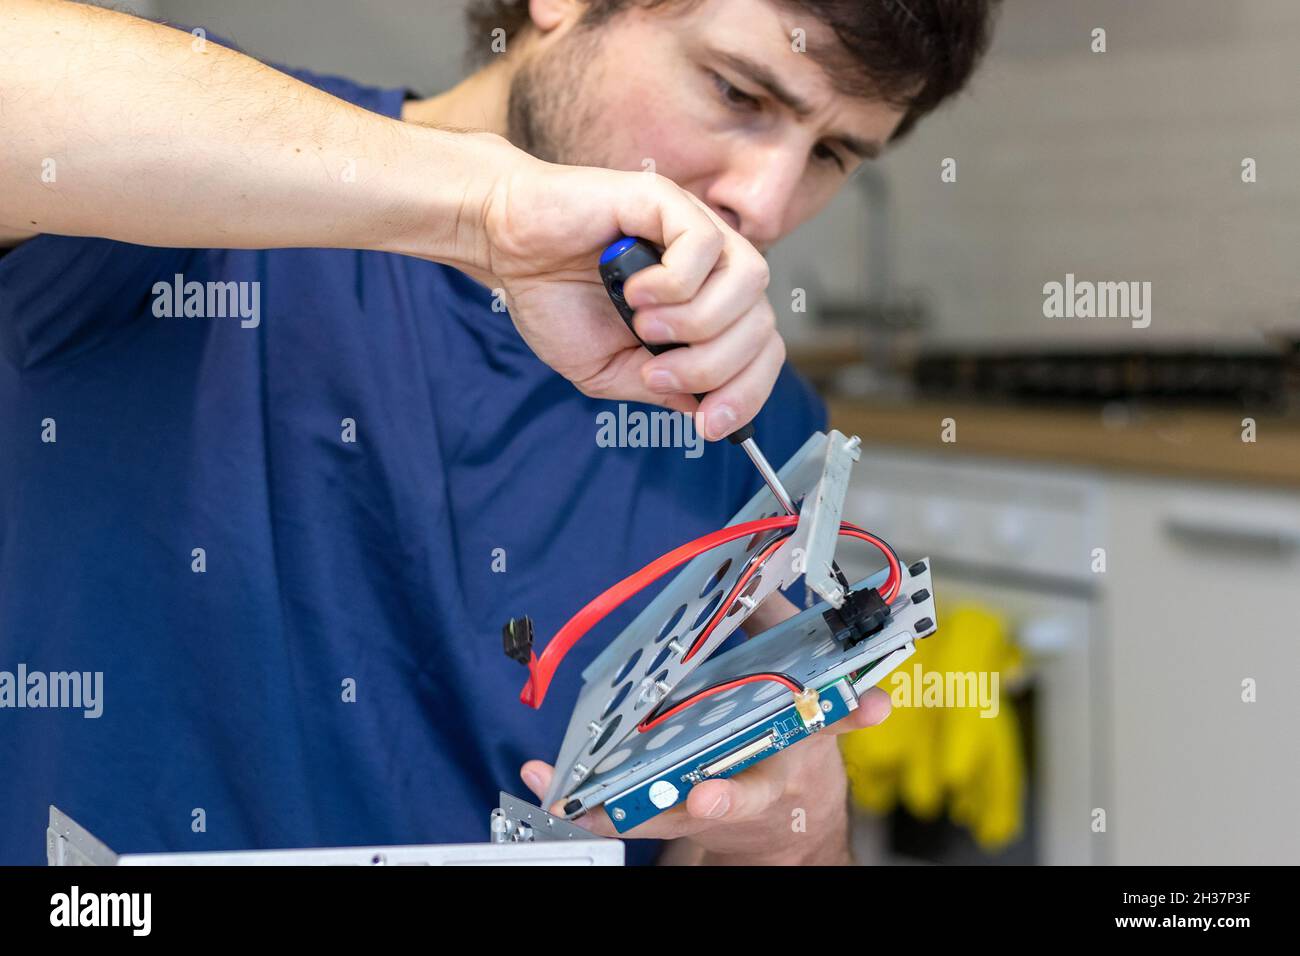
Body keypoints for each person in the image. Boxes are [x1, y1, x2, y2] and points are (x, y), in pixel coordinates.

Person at [0, 0, 997, 865]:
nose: (765, 203)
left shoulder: (754, 422)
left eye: (828, 152)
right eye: (739, 93)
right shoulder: (200, 205)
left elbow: (719, 831)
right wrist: (486, 206)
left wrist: (800, 836)